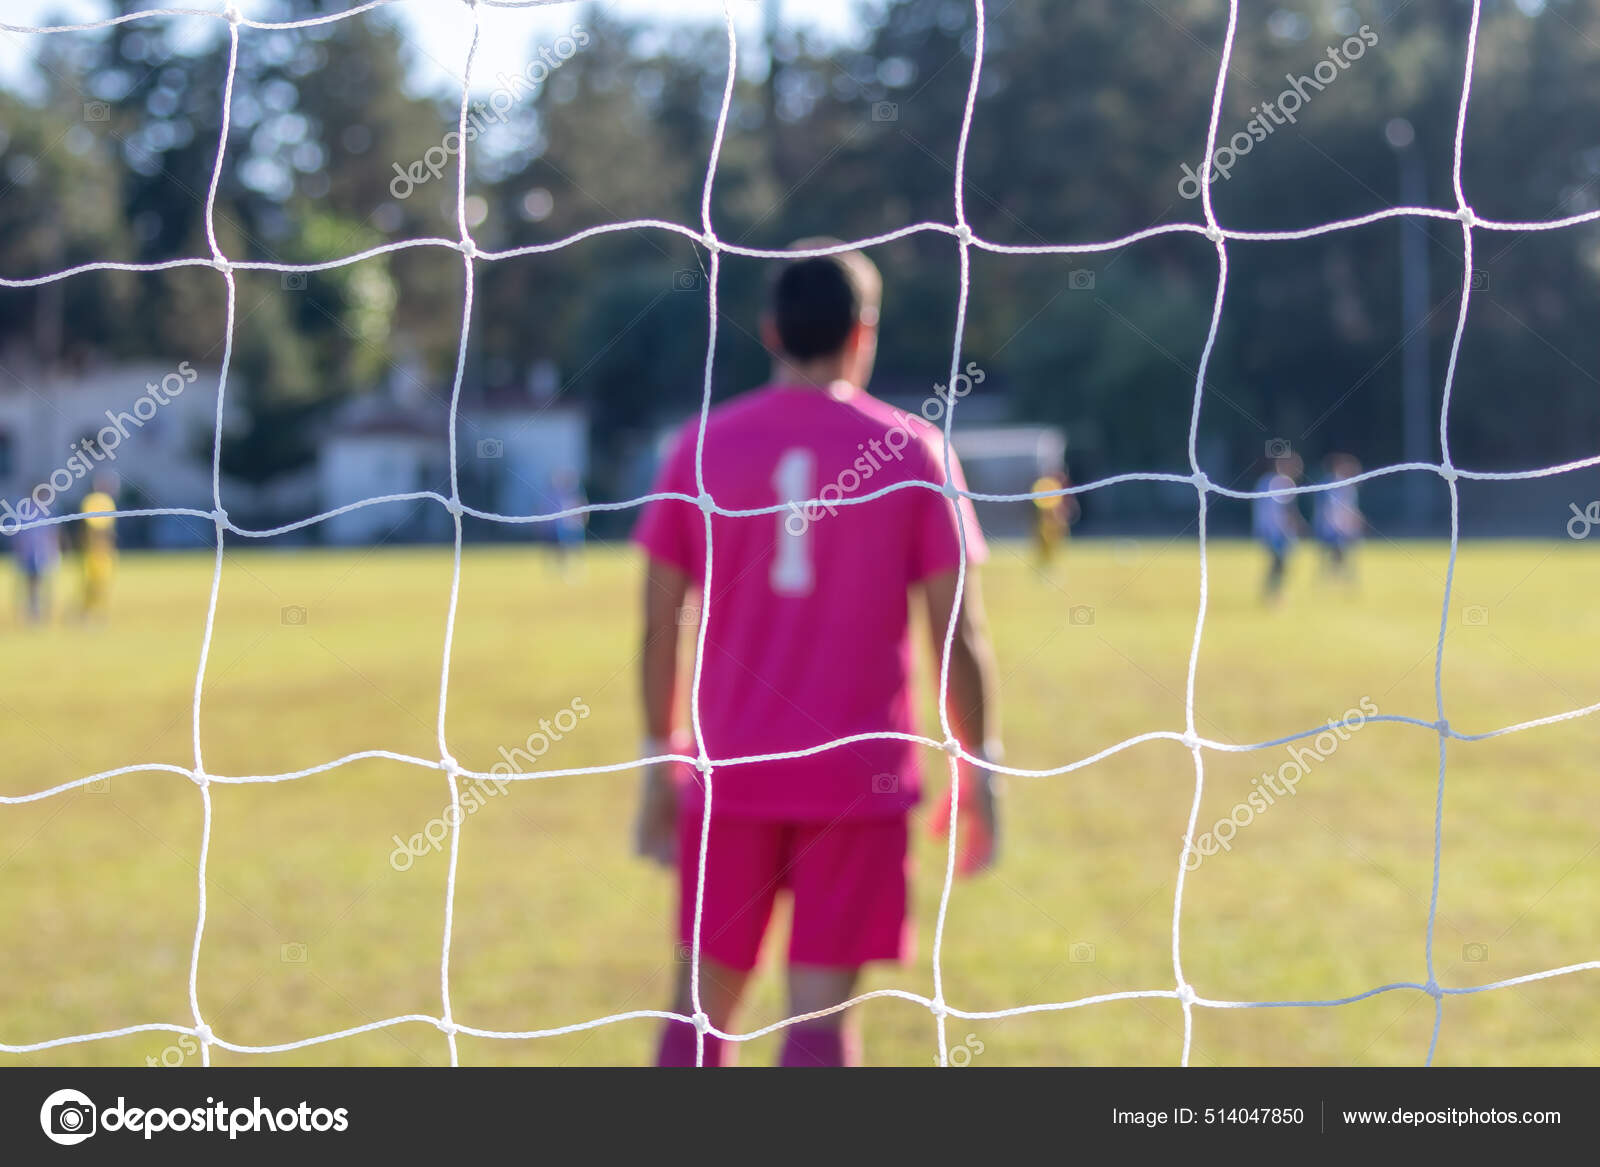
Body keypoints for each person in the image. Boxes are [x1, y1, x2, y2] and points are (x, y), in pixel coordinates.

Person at [631, 241, 1003, 1068]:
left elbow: (659, 625)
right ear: (863, 333)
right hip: (855, 783)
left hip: (730, 774)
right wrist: (981, 769)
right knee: (820, 1023)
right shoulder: (913, 450)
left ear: (769, 331)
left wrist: (659, 760)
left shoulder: (698, 448)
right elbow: (958, 636)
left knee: (701, 1008)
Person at [1253, 452, 1303, 603]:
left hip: (1272, 531)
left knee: (1278, 564)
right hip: (1274, 532)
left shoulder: (1266, 481)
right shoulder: (1279, 483)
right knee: (1279, 563)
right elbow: (1281, 511)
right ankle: (1273, 595)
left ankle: (1272, 593)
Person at [10, 498, 61, 624]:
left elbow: (52, 532)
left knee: (45, 585)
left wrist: (54, 549)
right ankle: (32, 614)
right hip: (29, 554)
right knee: (31, 585)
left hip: (44, 553)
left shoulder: (47, 511)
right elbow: (19, 535)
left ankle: (44, 614)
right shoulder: (25, 511)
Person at [1313, 453, 1364, 580]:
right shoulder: (1329, 485)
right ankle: (1326, 577)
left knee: (1348, 553)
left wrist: (1356, 521)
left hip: (1345, 528)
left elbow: (1351, 508)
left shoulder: (1349, 487)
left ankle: (1346, 578)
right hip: (1330, 529)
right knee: (1330, 553)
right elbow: (1327, 508)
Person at [79, 472, 119, 621]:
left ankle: (98, 614)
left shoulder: (109, 502)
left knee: (103, 584)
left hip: (105, 552)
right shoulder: (93, 501)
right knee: (90, 585)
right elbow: (93, 527)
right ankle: (86, 614)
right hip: (93, 551)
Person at [1030, 468, 1079, 571]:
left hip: (1056, 522)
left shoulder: (1059, 486)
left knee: (1056, 545)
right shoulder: (1044, 484)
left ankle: (1052, 566)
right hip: (1044, 522)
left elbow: (1061, 502)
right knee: (1043, 546)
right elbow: (1039, 503)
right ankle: (1042, 566)